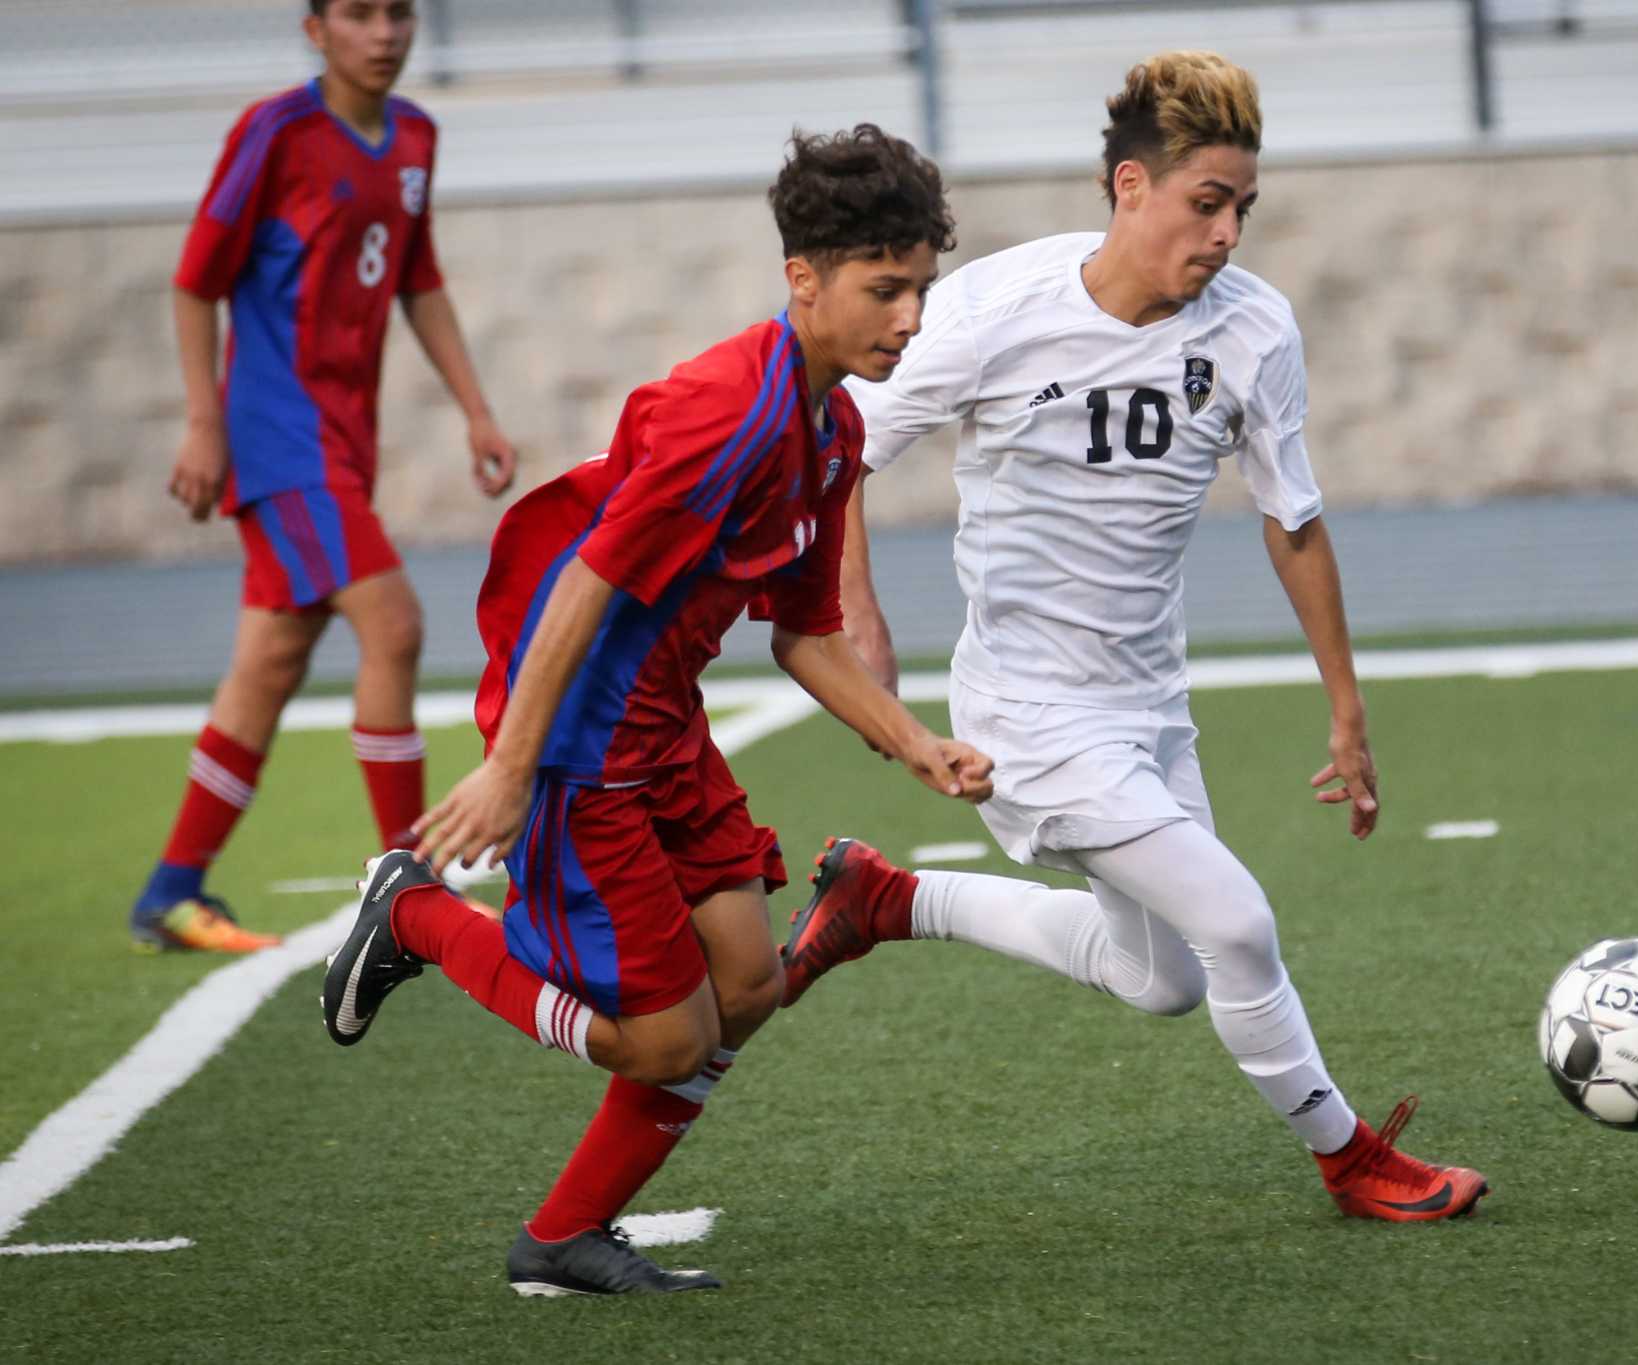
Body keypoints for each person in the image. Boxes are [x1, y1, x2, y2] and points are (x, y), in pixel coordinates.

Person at [782, 51, 1490, 1223]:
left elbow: (1293, 521)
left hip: (1146, 703)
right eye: (1203, 204)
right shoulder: (992, 311)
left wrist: (1346, 709)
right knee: (1235, 924)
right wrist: (853, 608)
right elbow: (833, 438)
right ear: (1127, 187)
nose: (1223, 235)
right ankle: (1349, 1156)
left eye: (1241, 210)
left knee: (1158, 978)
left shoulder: (1255, 331)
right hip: (1024, 709)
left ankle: (887, 898)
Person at [320, 124, 994, 1296]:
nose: (909, 320)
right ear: (803, 280)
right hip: (580, 745)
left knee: (746, 988)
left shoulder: (829, 432)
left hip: (661, 728)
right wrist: (514, 769)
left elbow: (801, 633)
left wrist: (914, 743)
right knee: (667, 1039)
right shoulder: (727, 414)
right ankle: (419, 915)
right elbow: (583, 583)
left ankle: (563, 1237)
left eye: (920, 289)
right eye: (884, 291)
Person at [131, 0, 516, 954]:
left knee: (269, 662)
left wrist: (475, 409)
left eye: (398, 13)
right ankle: (408, 889)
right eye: (358, 14)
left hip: (341, 442)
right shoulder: (275, 133)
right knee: (395, 624)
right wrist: (201, 422)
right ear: (315, 30)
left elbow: (417, 281)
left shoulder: (416, 136)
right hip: (278, 437)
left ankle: (170, 893)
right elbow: (195, 280)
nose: (384, 33)